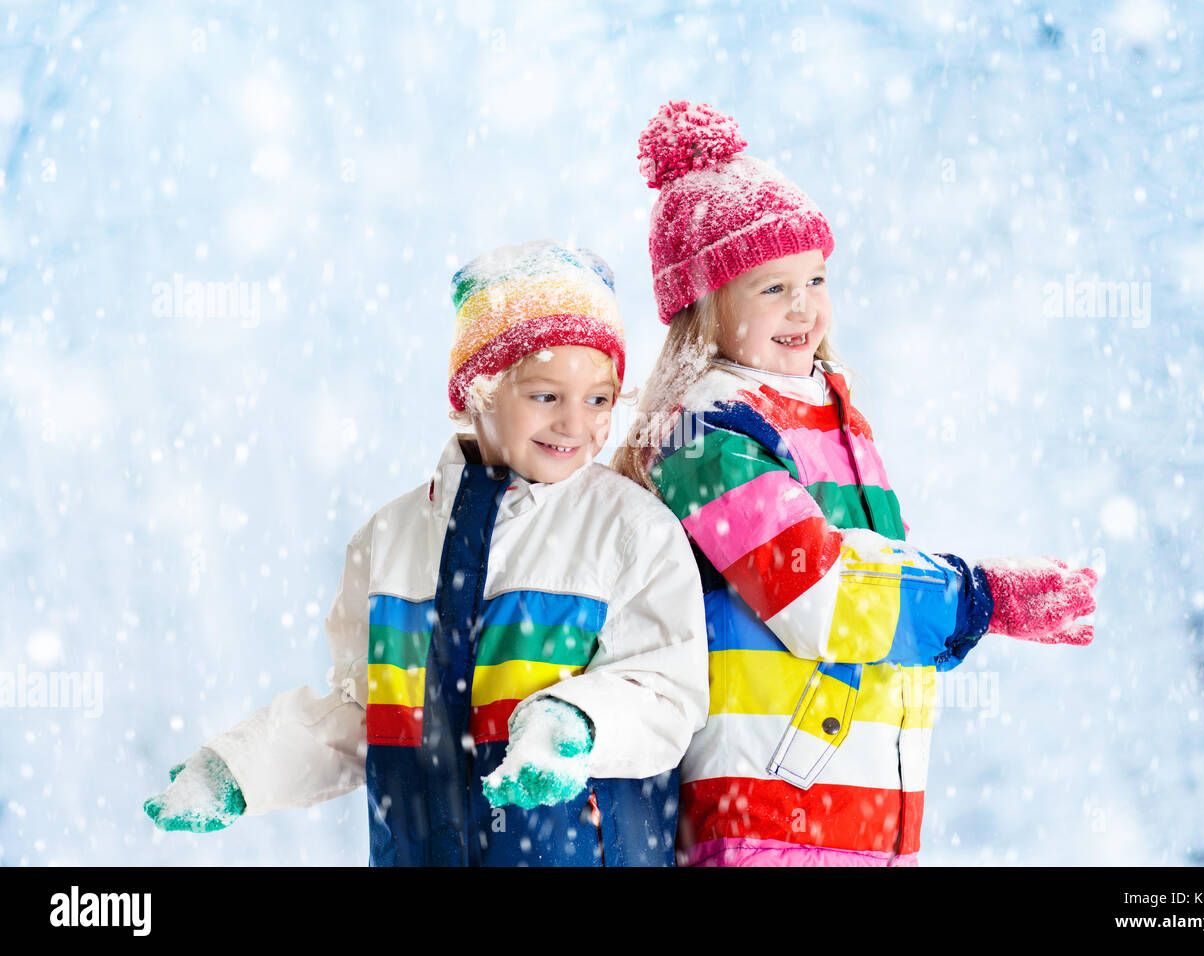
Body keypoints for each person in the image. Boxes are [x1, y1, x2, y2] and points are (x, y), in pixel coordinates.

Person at [613, 101, 1098, 867]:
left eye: (815, 277)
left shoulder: (837, 418)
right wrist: (983, 596)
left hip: (860, 817)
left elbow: (874, 604)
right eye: (770, 287)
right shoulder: (705, 434)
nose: (803, 305)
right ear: (703, 309)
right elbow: (821, 594)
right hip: (767, 816)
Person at [144, 240, 710, 866]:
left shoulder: (629, 531)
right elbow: (363, 715)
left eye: (599, 399)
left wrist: (574, 725)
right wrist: (241, 770)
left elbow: (666, 692)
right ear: (479, 392)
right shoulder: (389, 542)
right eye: (546, 396)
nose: (576, 424)